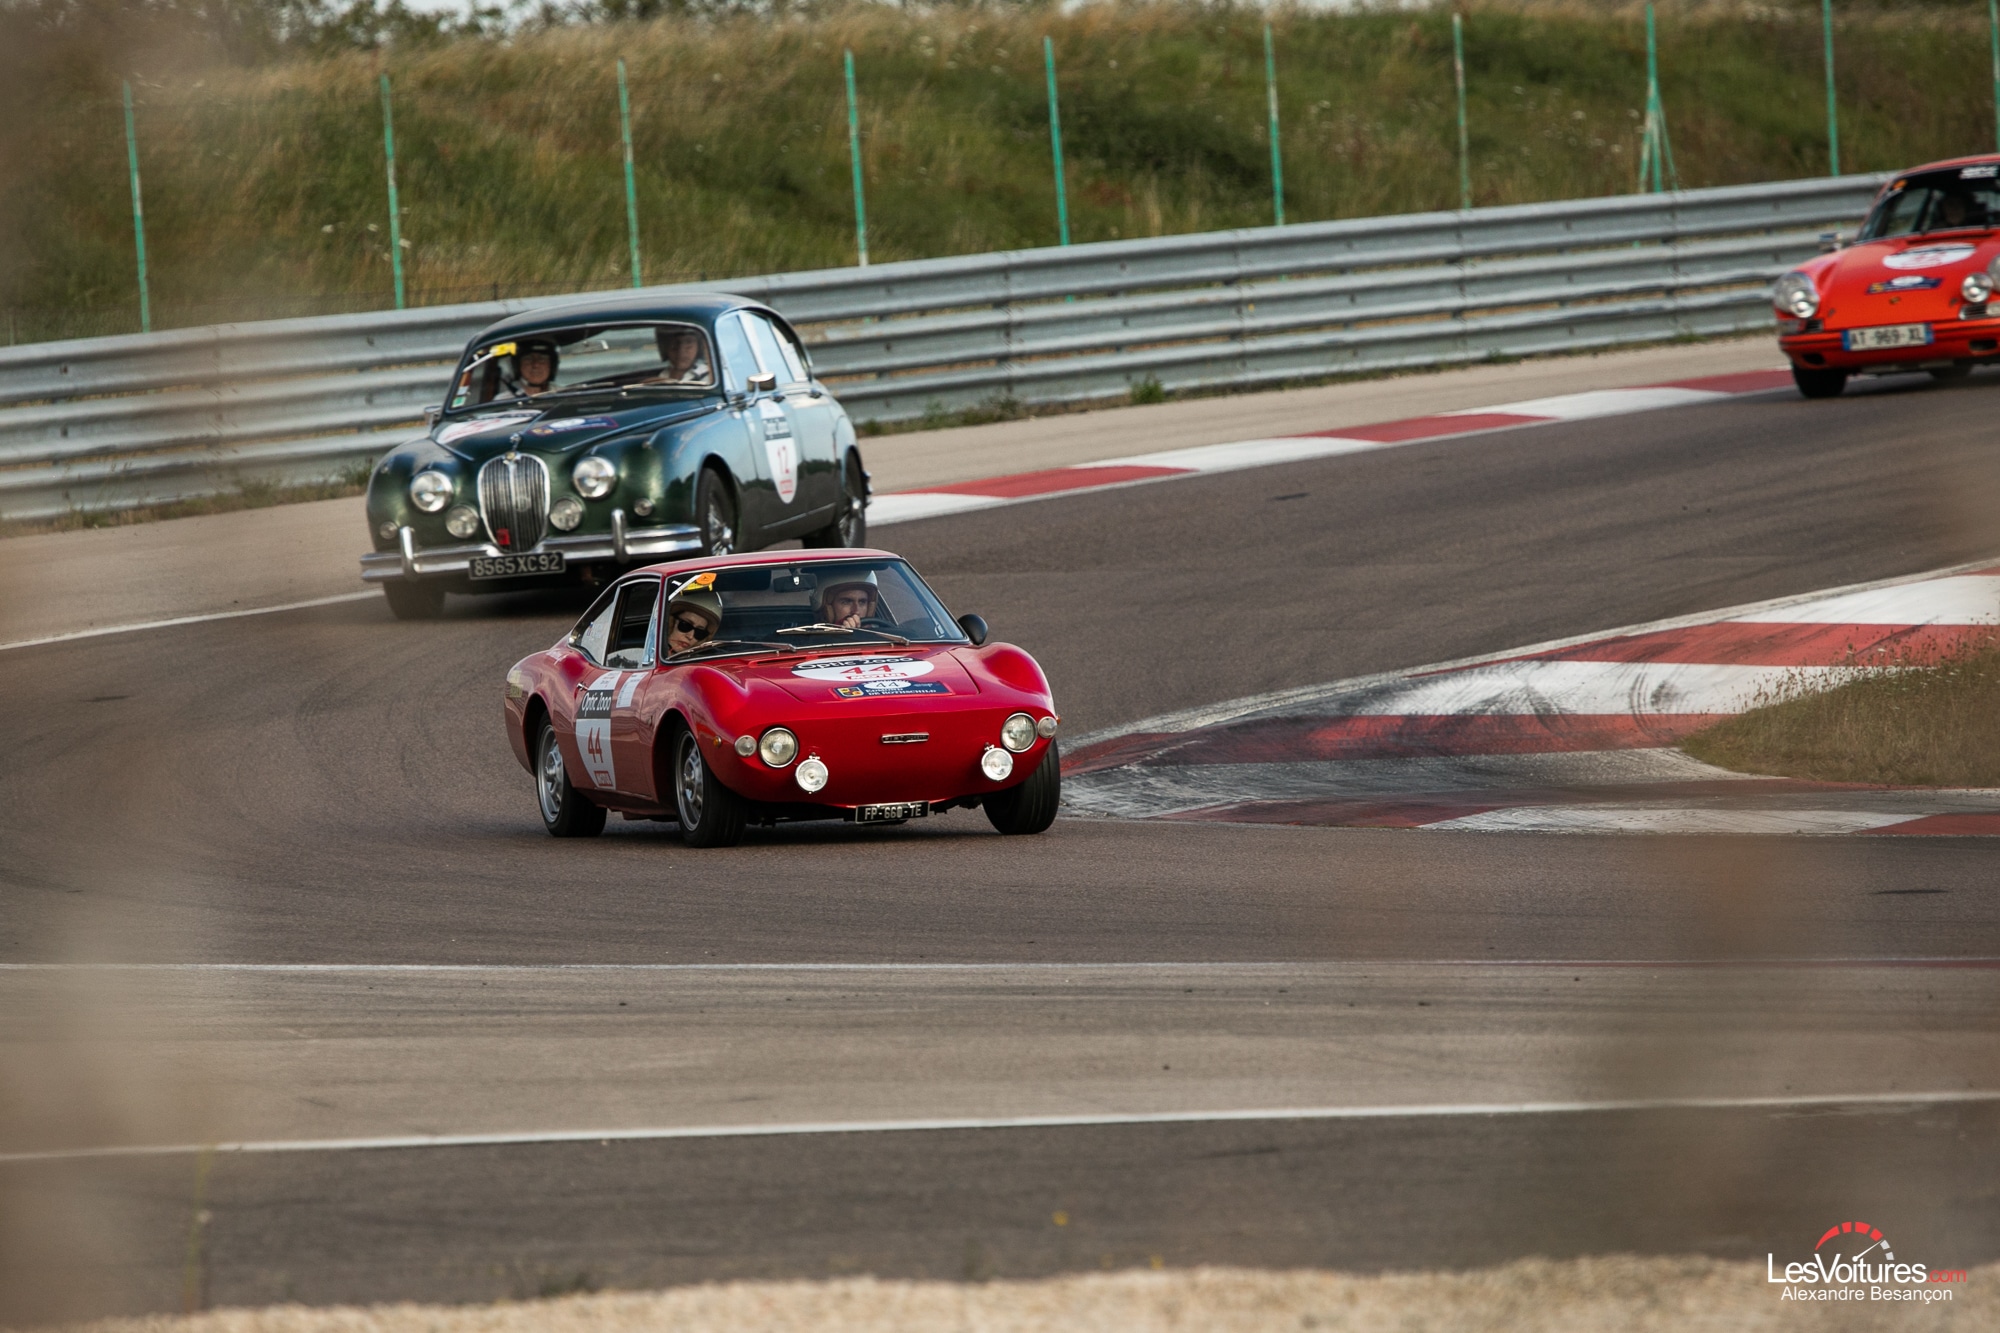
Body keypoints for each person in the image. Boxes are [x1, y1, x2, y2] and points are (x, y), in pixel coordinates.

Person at [664, 572, 724, 655]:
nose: (690, 636)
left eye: (699, 633)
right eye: (685, 626)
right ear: (670, 622)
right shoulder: (643, 657)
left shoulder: (709, 663)